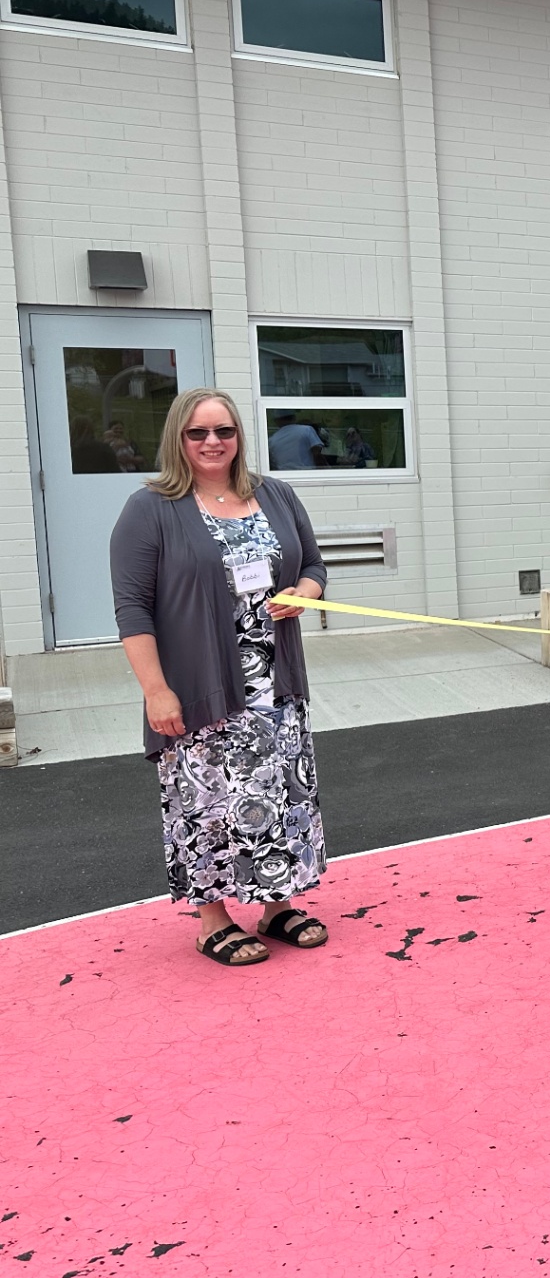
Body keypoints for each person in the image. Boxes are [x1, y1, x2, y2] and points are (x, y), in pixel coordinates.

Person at [109, 388, 330, 966]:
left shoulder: (275, 494)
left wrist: (305, 592)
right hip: (199, 686)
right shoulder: (151, 508)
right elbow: (132, 607)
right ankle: (213, 921)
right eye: (198, 433)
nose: (213, 442)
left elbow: (312, 564)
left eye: (224, 431)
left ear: (238, 436)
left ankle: (277, 905)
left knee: (275, 793)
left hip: (275, 685)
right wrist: (156, 690)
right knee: (207, 800)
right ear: (178, 438)